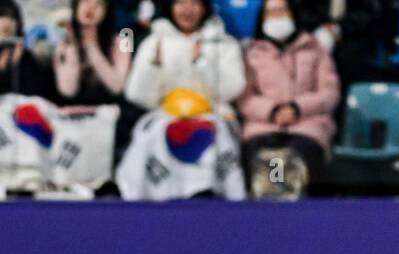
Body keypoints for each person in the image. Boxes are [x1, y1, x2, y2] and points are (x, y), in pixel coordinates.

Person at [237, 0, 340, 194]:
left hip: (307, 123)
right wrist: (273, 111)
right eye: (271, 13)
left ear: (293, 14)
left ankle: (310, 214)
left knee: (302, 152)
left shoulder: (316, 49)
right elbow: (245, 98)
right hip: (264, 124)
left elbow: (330, 93)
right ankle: (266, 209)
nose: (277, 17)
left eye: (282, 11)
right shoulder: (252, 53)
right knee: (262, 154)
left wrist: (297, 108)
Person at [124, 0, 246, 116]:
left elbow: (232, 90)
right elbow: (138, 95)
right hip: (165, 119)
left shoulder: (222, 43)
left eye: (194, 3)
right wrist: (153, 66)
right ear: (170, 7)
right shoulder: (154, 42)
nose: (188, 9)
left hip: (213, 117)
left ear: (204, 8)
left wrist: (202, 64)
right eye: (181, 2)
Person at [53, 0, 133, 106]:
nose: (91, 7)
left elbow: (118, 88)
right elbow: (68, 91)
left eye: (98, 3)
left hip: (112, 110)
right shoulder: (63, 45)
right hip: (75, 112)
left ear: (107, 11)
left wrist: (92, 46)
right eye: (85, 1)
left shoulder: (123, 41)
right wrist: (72, 48)